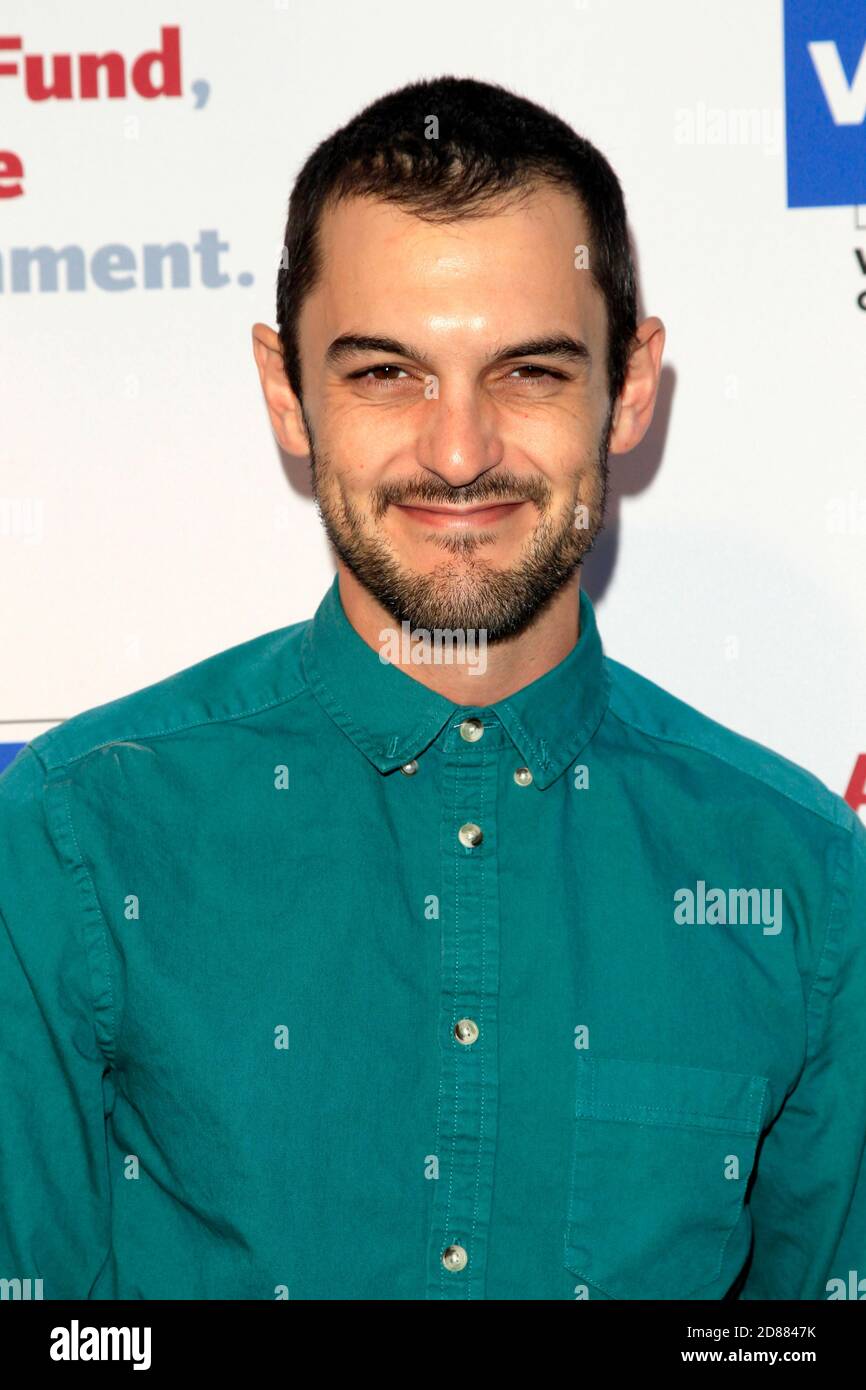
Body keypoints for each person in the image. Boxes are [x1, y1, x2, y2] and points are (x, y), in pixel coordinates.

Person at [1, 75, 864, 1302]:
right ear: (284, 389)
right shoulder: (78, 836)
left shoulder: (798, 878)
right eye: (384, 373)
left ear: (627, 386)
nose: (458, 454)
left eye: (528, 371)